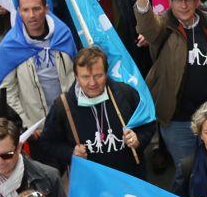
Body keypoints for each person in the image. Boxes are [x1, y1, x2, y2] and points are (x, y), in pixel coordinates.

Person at [131, 0, 207, 184]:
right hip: (177, 120)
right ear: (170, 1)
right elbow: (148, 28)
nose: (183, 5)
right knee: (187, 172)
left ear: (197, 0)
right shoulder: (164, 25)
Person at [34, 46, 155, 178]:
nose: (92, 83)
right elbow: (47, 143)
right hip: (92, 183)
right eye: (85, 77)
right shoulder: (63, 106)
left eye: (98, 75)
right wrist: (71, 152)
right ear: (76, 76)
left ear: (106, 72)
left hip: (129, 179)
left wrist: (138, 139)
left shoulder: (125, 93)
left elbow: (149, 124)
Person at [0, 0, 76, 134]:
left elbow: (76, 75)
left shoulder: (63, 34)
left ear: (46, 9)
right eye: (25, 10)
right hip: (37, 128)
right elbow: (8, 94)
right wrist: (26, 126)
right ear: (19, 11)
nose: (31, 15)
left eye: (36, 9)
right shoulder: (10, 46)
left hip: (71, 118)